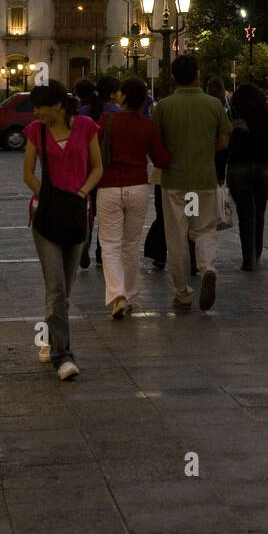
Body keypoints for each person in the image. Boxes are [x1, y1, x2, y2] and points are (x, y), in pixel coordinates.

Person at [23, 81, 102, 380]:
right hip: (46, 216)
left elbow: (98, 167)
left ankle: (49, 338)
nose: (36, 112)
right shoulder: (36, 131)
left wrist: (81, 193)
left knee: (64, 291)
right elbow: (27, 173)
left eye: (40, 106)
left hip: (77, 214)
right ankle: (63, 355)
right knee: (55, 287)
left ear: (57, 105)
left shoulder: (86, 126)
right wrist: (47, 195)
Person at [152, 55, 231, 312]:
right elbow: (223, 142)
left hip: (175, 182)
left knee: (176, 236)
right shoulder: (213, 104)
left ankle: (183, 292)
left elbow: (156, 144)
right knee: (204, 229)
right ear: (197, 74)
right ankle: (207, 268)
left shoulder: (163, 106)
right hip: (204, 180)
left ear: (174, 77)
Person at [96, 77, 170, 317]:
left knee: (109, 244)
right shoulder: (147, 126)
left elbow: (95, 152)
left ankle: (117, 295)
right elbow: (161, 160)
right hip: (138, 187)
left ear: (123, 97)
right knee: (130, 244)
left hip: (108, 188)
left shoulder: (107, 120)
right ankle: (129, 293)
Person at [227, 82, 268, 270]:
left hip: (239, 168)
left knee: (245, 215)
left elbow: (226, 145)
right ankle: (256, 253)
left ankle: (248, 258)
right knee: (259, 212)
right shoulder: (267, 117)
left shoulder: (234, 117)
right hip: (265, 169)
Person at [78, 75, 121, 269]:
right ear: (112, 93)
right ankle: (101, 253)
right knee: (106, 216)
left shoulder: (84, 111)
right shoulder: (117, 112)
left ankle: (83, 245)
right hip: (109, 171)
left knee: (88, 211)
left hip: (86, 170)